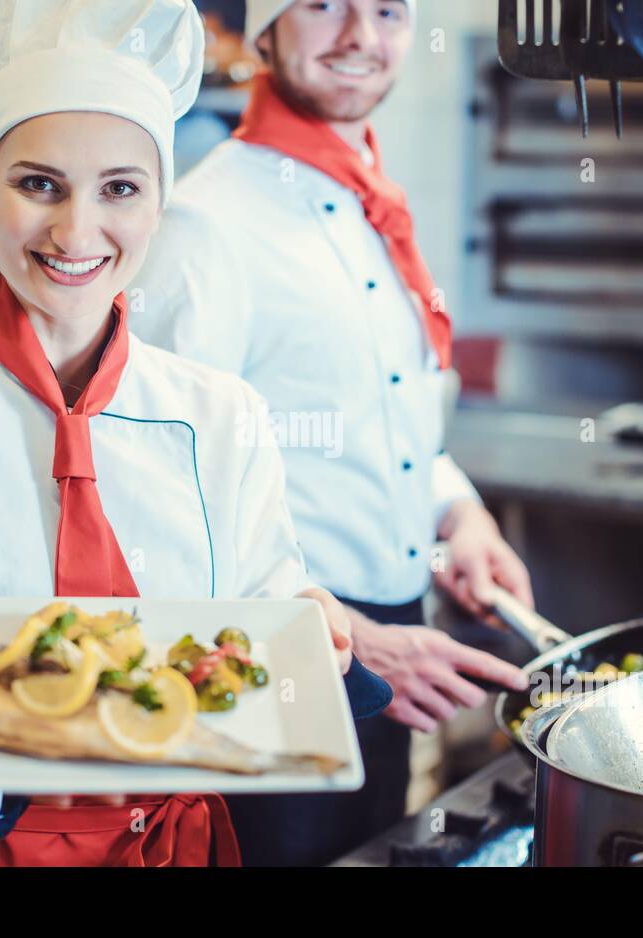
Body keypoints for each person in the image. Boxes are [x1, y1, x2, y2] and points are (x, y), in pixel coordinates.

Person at [0, 0, 379, 867]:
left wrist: (305, 627)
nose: (77, 232)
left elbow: (259, 624)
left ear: (161, 200)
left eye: (120, 187)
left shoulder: (224, 414)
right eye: (38, 183)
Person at [131, 0, 532, 865]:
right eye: (323, 5)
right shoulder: (204, 228)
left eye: (388, 11)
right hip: (266, 665)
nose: (360, 35)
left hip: (389, 653)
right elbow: (159, 497)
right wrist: (343, 638)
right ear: (264, 30)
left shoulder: (367, 199)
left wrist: (458, 514)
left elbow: (381, 416)